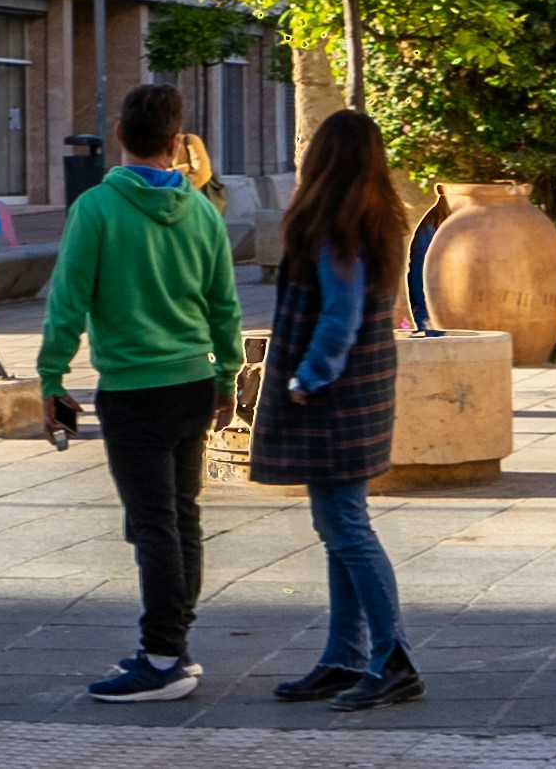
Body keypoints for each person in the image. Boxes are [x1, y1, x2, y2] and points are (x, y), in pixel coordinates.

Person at [29, 79, 245, 703]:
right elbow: (224, 307)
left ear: (120, 134)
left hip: (132, 389)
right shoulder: (201, 211)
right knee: (181, 516)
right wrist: (228, 378)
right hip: (194, 383)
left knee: (153, 525)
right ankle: (176, 644)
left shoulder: (96, 209)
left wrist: (52, 380)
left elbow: (68, 302)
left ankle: (162, 657)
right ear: (176, 143)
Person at [248, 108, 418, 706]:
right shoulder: (373, 223)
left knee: (346, 527)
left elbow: (340, 317)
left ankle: (393, 659)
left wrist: (307, 378)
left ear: (321, 160)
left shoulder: (334, 230)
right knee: (339, 526)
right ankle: (345, 656)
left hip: (335, 401)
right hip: (363, 396)